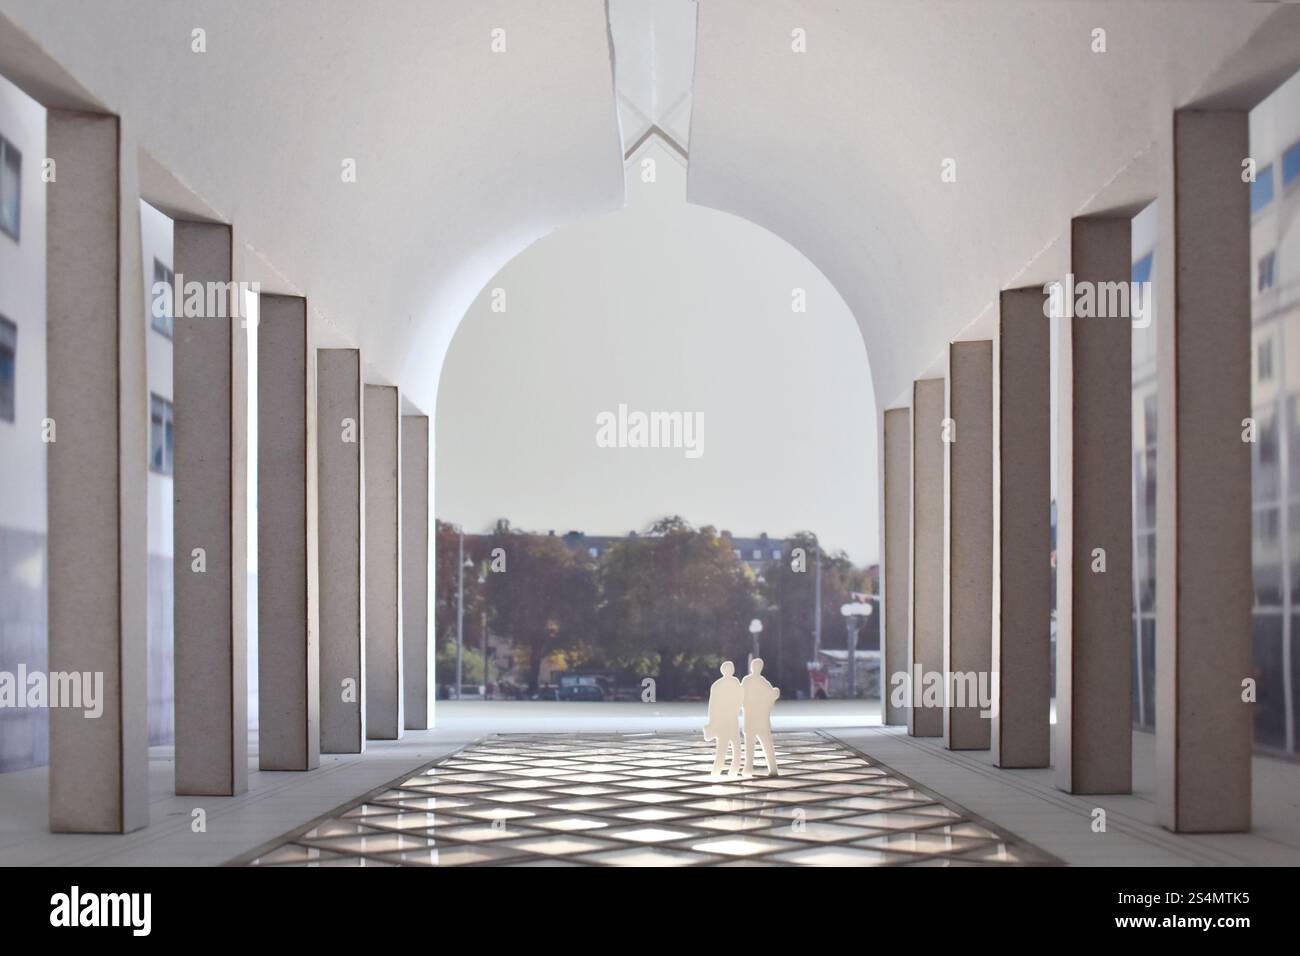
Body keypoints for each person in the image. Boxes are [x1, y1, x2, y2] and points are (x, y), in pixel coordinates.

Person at [741, 657, 780, 776]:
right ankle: (771, 769)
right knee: (765, 745)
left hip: (752, 720)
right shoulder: (764, 683)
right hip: (760, 720)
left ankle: (749, 769)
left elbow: (741, 698)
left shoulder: (748, 681)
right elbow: (772, 695)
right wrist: (775, 693)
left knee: (752, 747)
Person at [703, 661, 743, 776]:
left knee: (725, 746)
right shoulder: (734, 683)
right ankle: (730, 770)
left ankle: (718, 771)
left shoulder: (718, 685)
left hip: (725, 719)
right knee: (733, 746)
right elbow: (740, 698)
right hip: (729, 719)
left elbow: (712, 706)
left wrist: (712, 721)